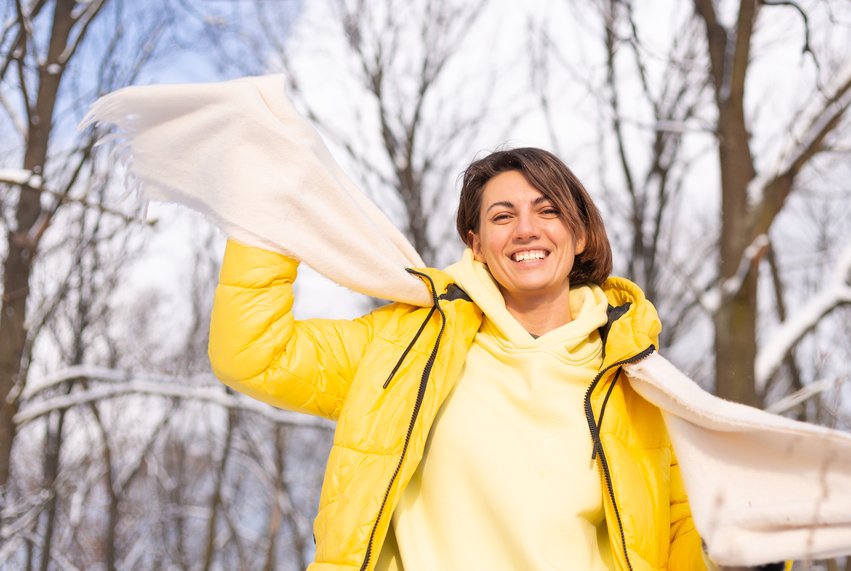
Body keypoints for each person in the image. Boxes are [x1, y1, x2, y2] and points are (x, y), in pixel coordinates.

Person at [208, 147, 761, 570]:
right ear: (474, 243)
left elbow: (679, 541)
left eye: (548, 210)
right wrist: (266, 212)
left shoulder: (639, 382)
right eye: (502, 215)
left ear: (579, 231)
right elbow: (253, 353)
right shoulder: (404, 347)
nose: (526, 229)